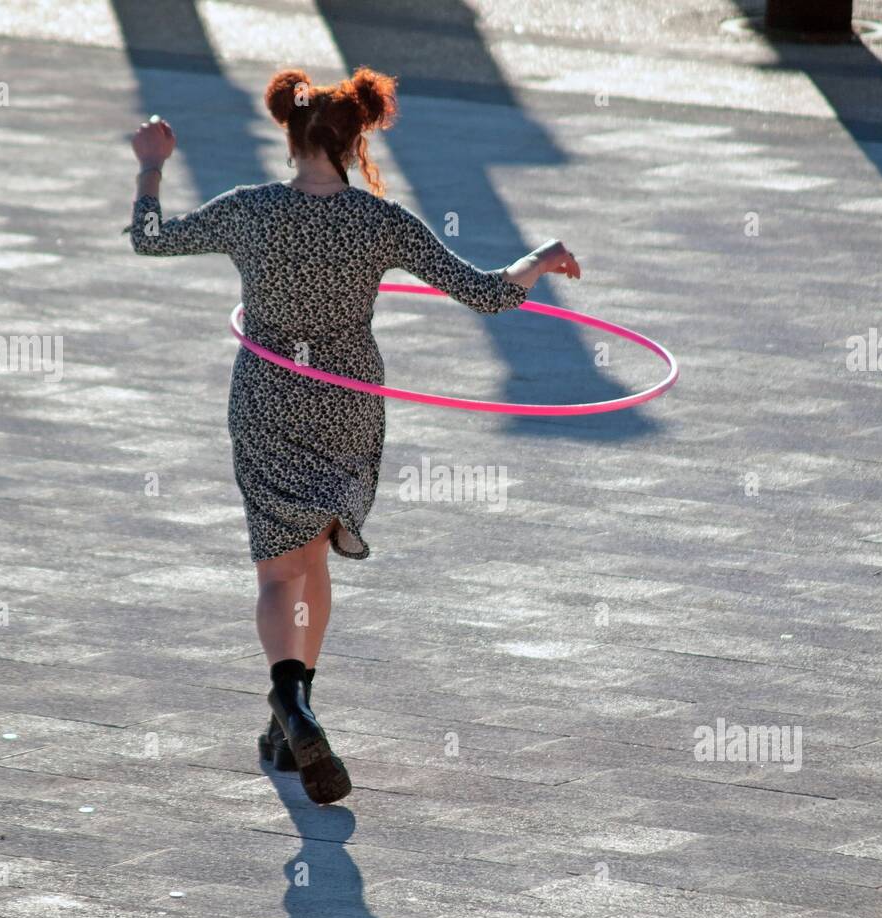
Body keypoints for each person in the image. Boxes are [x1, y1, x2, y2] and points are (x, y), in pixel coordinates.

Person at [128, 66, 581, 805]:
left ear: (289, 132)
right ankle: (293, 714)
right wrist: (541, 256)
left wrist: (152, 169)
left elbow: (151, 242)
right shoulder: (380, 221)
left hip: (269, 400)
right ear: (355, 137)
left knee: (280, 571)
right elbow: (489, 293)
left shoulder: (249, 209)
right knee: (316, 561)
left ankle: (290, 705)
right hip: (344, 409)